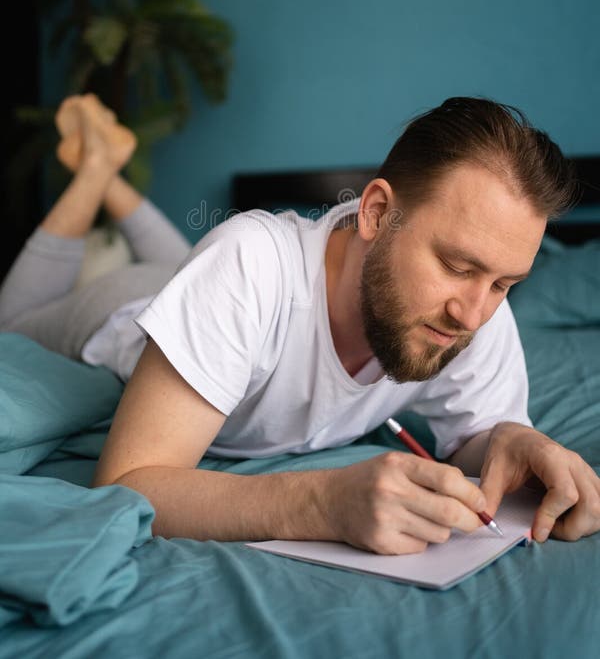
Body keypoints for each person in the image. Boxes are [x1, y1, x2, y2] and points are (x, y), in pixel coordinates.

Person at [2, 94, 599, 555]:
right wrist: (319, 502)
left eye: (502, 284)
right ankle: (95, 173)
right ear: (377, 214)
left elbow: (474, 436)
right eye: (454, 265)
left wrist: (509, 441)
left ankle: (109, 175)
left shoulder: (474, 305)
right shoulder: (250, 264)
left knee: (173, 261)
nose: (473, 313)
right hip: (115, 318)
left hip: (202, 292)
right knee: (14, 319)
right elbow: (126, 484)